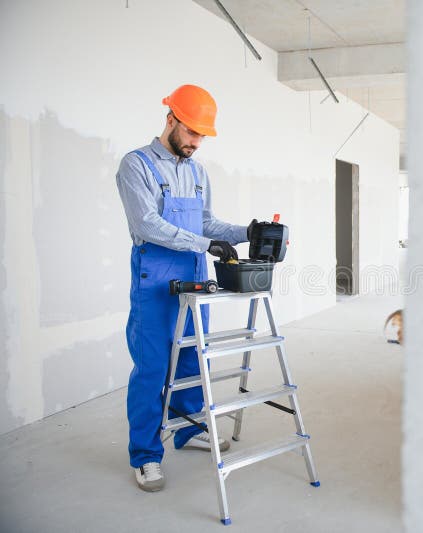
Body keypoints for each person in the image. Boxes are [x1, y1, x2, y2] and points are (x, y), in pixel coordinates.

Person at [116, 84, 256, 492]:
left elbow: (206, 223)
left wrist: (245, 231)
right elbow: (147, 225)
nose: (196, 142)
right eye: (191, 132)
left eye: (202, 136)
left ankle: (187, 430)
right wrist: (204, 243)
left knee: (195, 358)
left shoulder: (196, 172)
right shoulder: (136, 165)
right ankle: (145, 455)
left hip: (195, 275)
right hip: (155, 278)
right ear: (171, 119)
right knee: (153, 367)